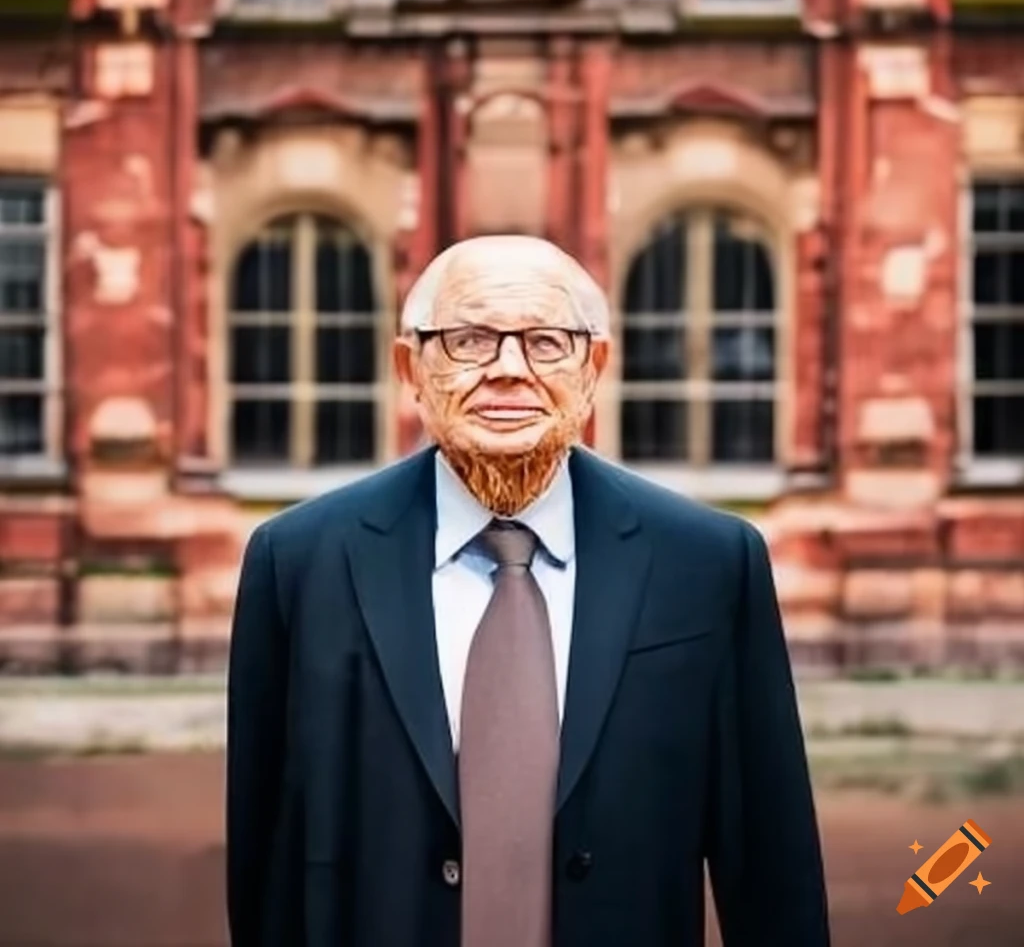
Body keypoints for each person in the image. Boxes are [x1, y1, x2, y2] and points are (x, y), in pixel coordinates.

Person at [226, 234, 830, 947]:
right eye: (469, 339)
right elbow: (263, 864)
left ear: (594, 367)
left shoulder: (708, 563)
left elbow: (770, 864)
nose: (509, 369)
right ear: (409, 368)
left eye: (547, 342)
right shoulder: (297, 563)